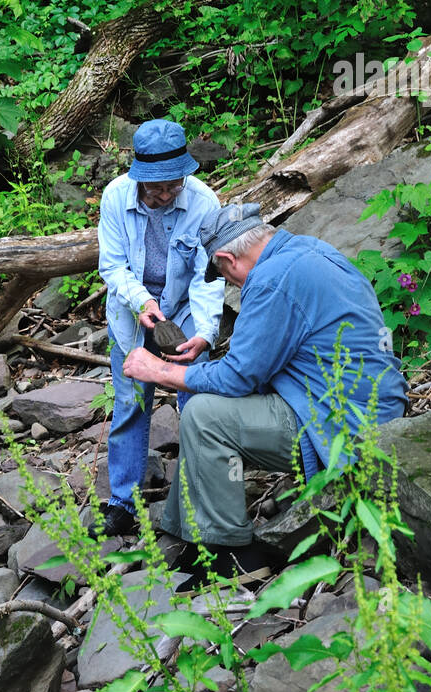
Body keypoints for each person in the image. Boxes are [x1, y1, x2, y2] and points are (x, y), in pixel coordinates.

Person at [121, 202, 408, 584]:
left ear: (227, 259)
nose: (229, 283)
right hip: (370, 404)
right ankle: (194, 534)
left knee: (206, 415)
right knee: (209, 403)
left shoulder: (272, 279)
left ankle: (231, 555)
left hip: (345, 423)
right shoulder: (308, 251)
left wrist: (161, 371)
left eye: (223, 274)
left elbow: (238, 377)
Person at [93, 119, 224, 537]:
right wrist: (143, 302)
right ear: (139, 177)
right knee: (131, 404)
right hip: (130, 312)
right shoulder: (114, 197)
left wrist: (204, 334)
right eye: (156, 188)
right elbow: (111, 265)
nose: (166, 194)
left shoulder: (204, 203)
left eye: (174, 185)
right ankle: (122, 503)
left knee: (195, 402)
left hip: (185, 309)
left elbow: (209, 277)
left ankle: (196, 495)